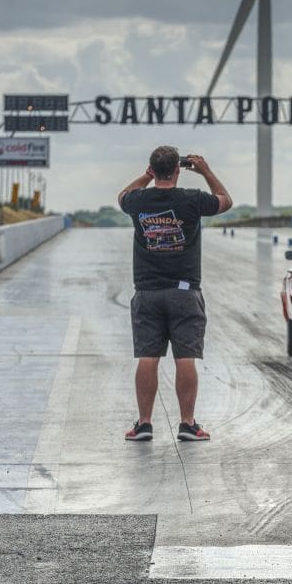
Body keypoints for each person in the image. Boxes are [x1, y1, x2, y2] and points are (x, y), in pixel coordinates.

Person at [119, 146, 232, 442]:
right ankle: (187, 424)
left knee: (147, 357)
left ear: (152, 170)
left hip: (147, 292)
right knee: (185, 358)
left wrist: (146, 177)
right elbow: (225, 201)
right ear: (179, 170)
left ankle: (144, 424)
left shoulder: (138, 200)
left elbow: (121, 196)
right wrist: (206, 171)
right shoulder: (192, 200)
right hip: (184, 291)